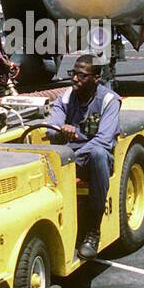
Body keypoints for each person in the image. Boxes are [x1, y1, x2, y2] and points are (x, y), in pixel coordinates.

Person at [47, 54, 121, 261]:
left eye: (82, 75)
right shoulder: (66, 97)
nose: (75, 79)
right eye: (73, 74)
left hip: (91, 160)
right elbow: (51, 130)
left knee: (98, 155)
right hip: (69, 156)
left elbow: (104, 141)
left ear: (96, 77)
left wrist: (74, 155)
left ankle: (92, 231)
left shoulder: (109, 100)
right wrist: (61, 129)